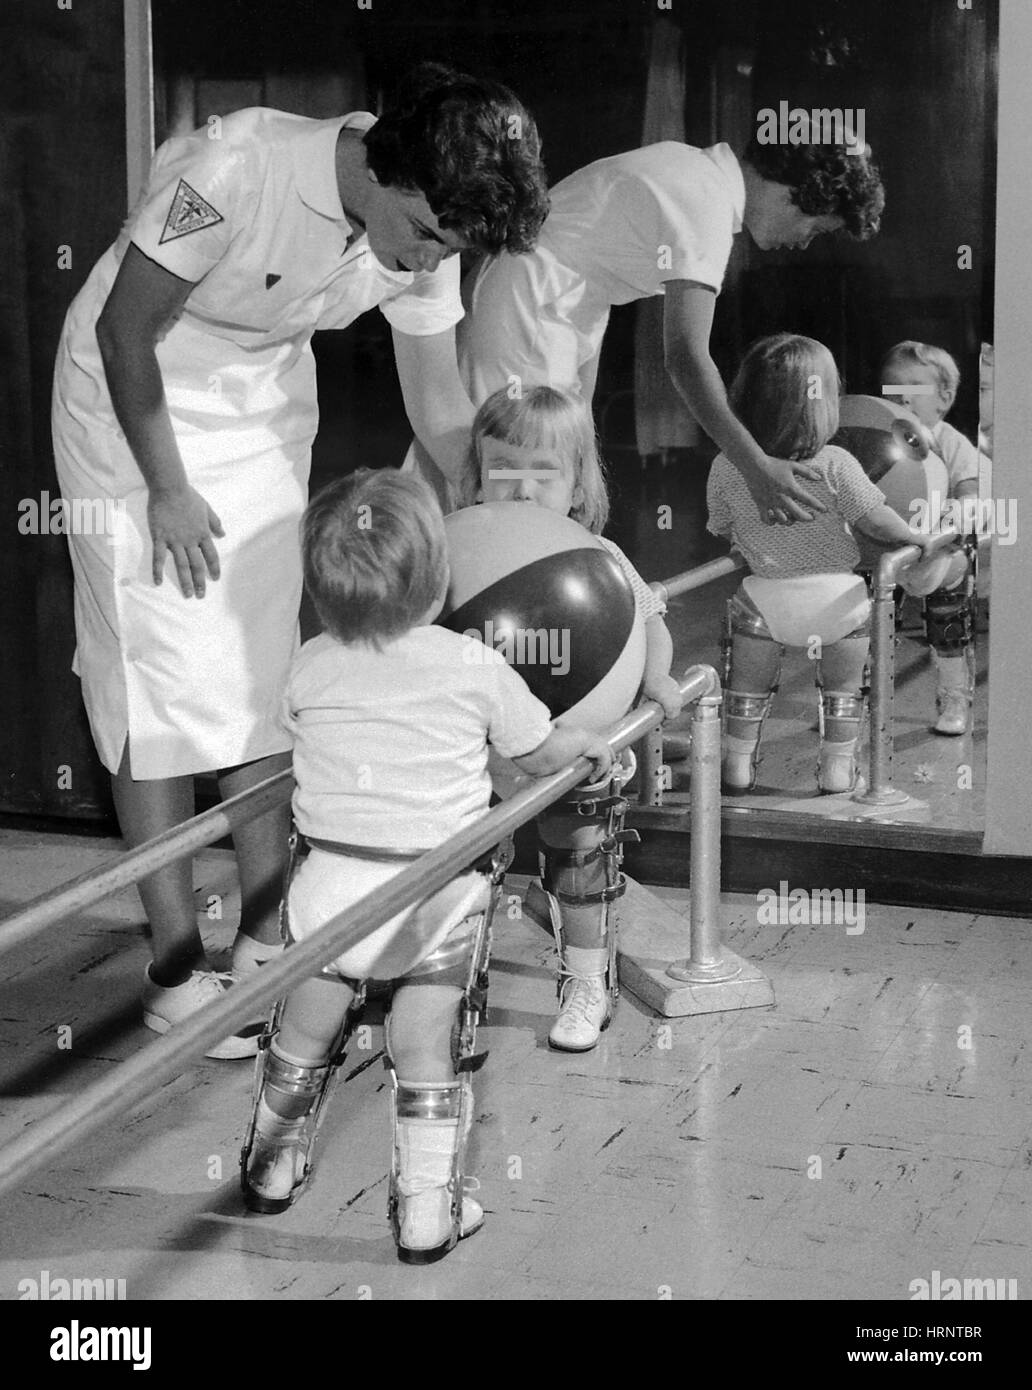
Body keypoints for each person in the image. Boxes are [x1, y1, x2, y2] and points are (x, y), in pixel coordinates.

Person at [51, 64, 548, 1057]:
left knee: (265, 675)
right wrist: (167, 487)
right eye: (427, 237)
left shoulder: (424, 228)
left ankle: (271, 940)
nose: (427, 261)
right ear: (391, 176)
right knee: (159, 683)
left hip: (261, 402)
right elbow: (123, 327)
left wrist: (508, 529)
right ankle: (175, 961)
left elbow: (441, 409)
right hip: (135, 402)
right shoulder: (233, 168)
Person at [239, 469, 612, 1262]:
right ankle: (425, 1211)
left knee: (303, 1037)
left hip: (328, 894)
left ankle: (270, 1169)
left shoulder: (308, 664)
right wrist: (586, 748)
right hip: (434, 896)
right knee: (423, 1050)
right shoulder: (472, 667)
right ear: (439, 581)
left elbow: (294, 730)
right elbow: (540, 752)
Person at [442, 126, 884, 525]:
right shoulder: (705, 200)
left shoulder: (699, 172)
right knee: (513, 480)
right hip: (532, 303)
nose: (804, 243)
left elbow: (595, 275)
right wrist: (756, 468)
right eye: (816, 228)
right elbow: (687, 358)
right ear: (797, 192)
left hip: (553, 303)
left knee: (543, 475)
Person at [455, 385, 684, 1051]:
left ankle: (588, 980)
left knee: (579, 859)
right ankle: (453, 979)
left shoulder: (598, 558)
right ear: (475, 474)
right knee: (463, 867)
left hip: (573, 745)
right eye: (504, 469)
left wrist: (658, 677)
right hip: (476, 752)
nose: (523, 489)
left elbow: (650, 624)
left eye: (543, 473)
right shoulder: (455, 544)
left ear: (578, 483)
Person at [707, 335, 932, 794]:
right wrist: (913, 536)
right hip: (838, 604)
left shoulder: (728, 465)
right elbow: (876, 520)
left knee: (747, 690)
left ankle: (736, 765)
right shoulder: (836, 463)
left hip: (764, 602)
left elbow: (721, 526)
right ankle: (836, 770)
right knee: (842, 693)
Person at [880, 342, 982, 736]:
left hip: (941, 550)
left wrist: (952, 520)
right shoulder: (879, 438)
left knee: (949, 626)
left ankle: (954, 698)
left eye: (914, 386)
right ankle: (861, 697)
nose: (902, 396)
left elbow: (969, 492)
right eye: (891, 387)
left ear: (944, 397)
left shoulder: (951, 442)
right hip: (890, 547)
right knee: (872, 624)